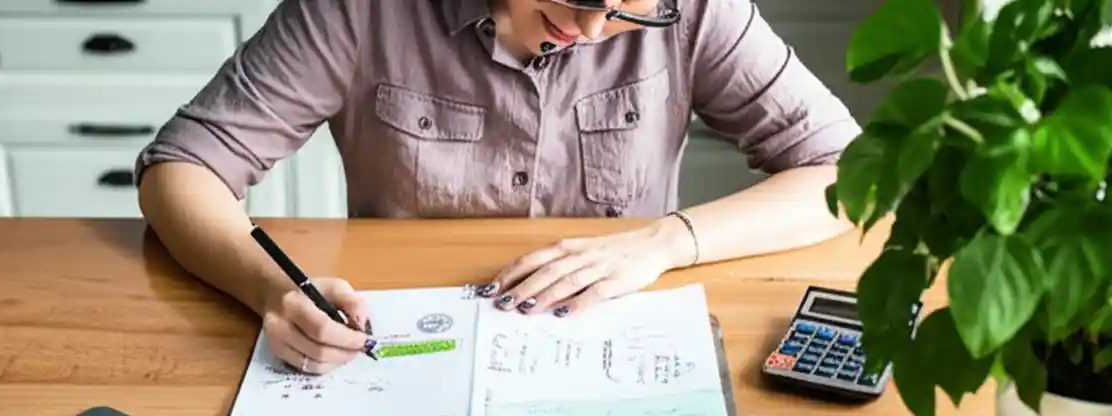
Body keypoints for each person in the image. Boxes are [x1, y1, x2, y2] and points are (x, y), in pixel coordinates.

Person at [135, 0, 860, 376]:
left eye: (628, 8)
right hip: (397, 353)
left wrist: (668, 241)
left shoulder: (691, 11)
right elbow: (183, 165)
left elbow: (845, 170)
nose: (592, 26)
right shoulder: (358, 10)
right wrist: (271, 289)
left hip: (607, 354)